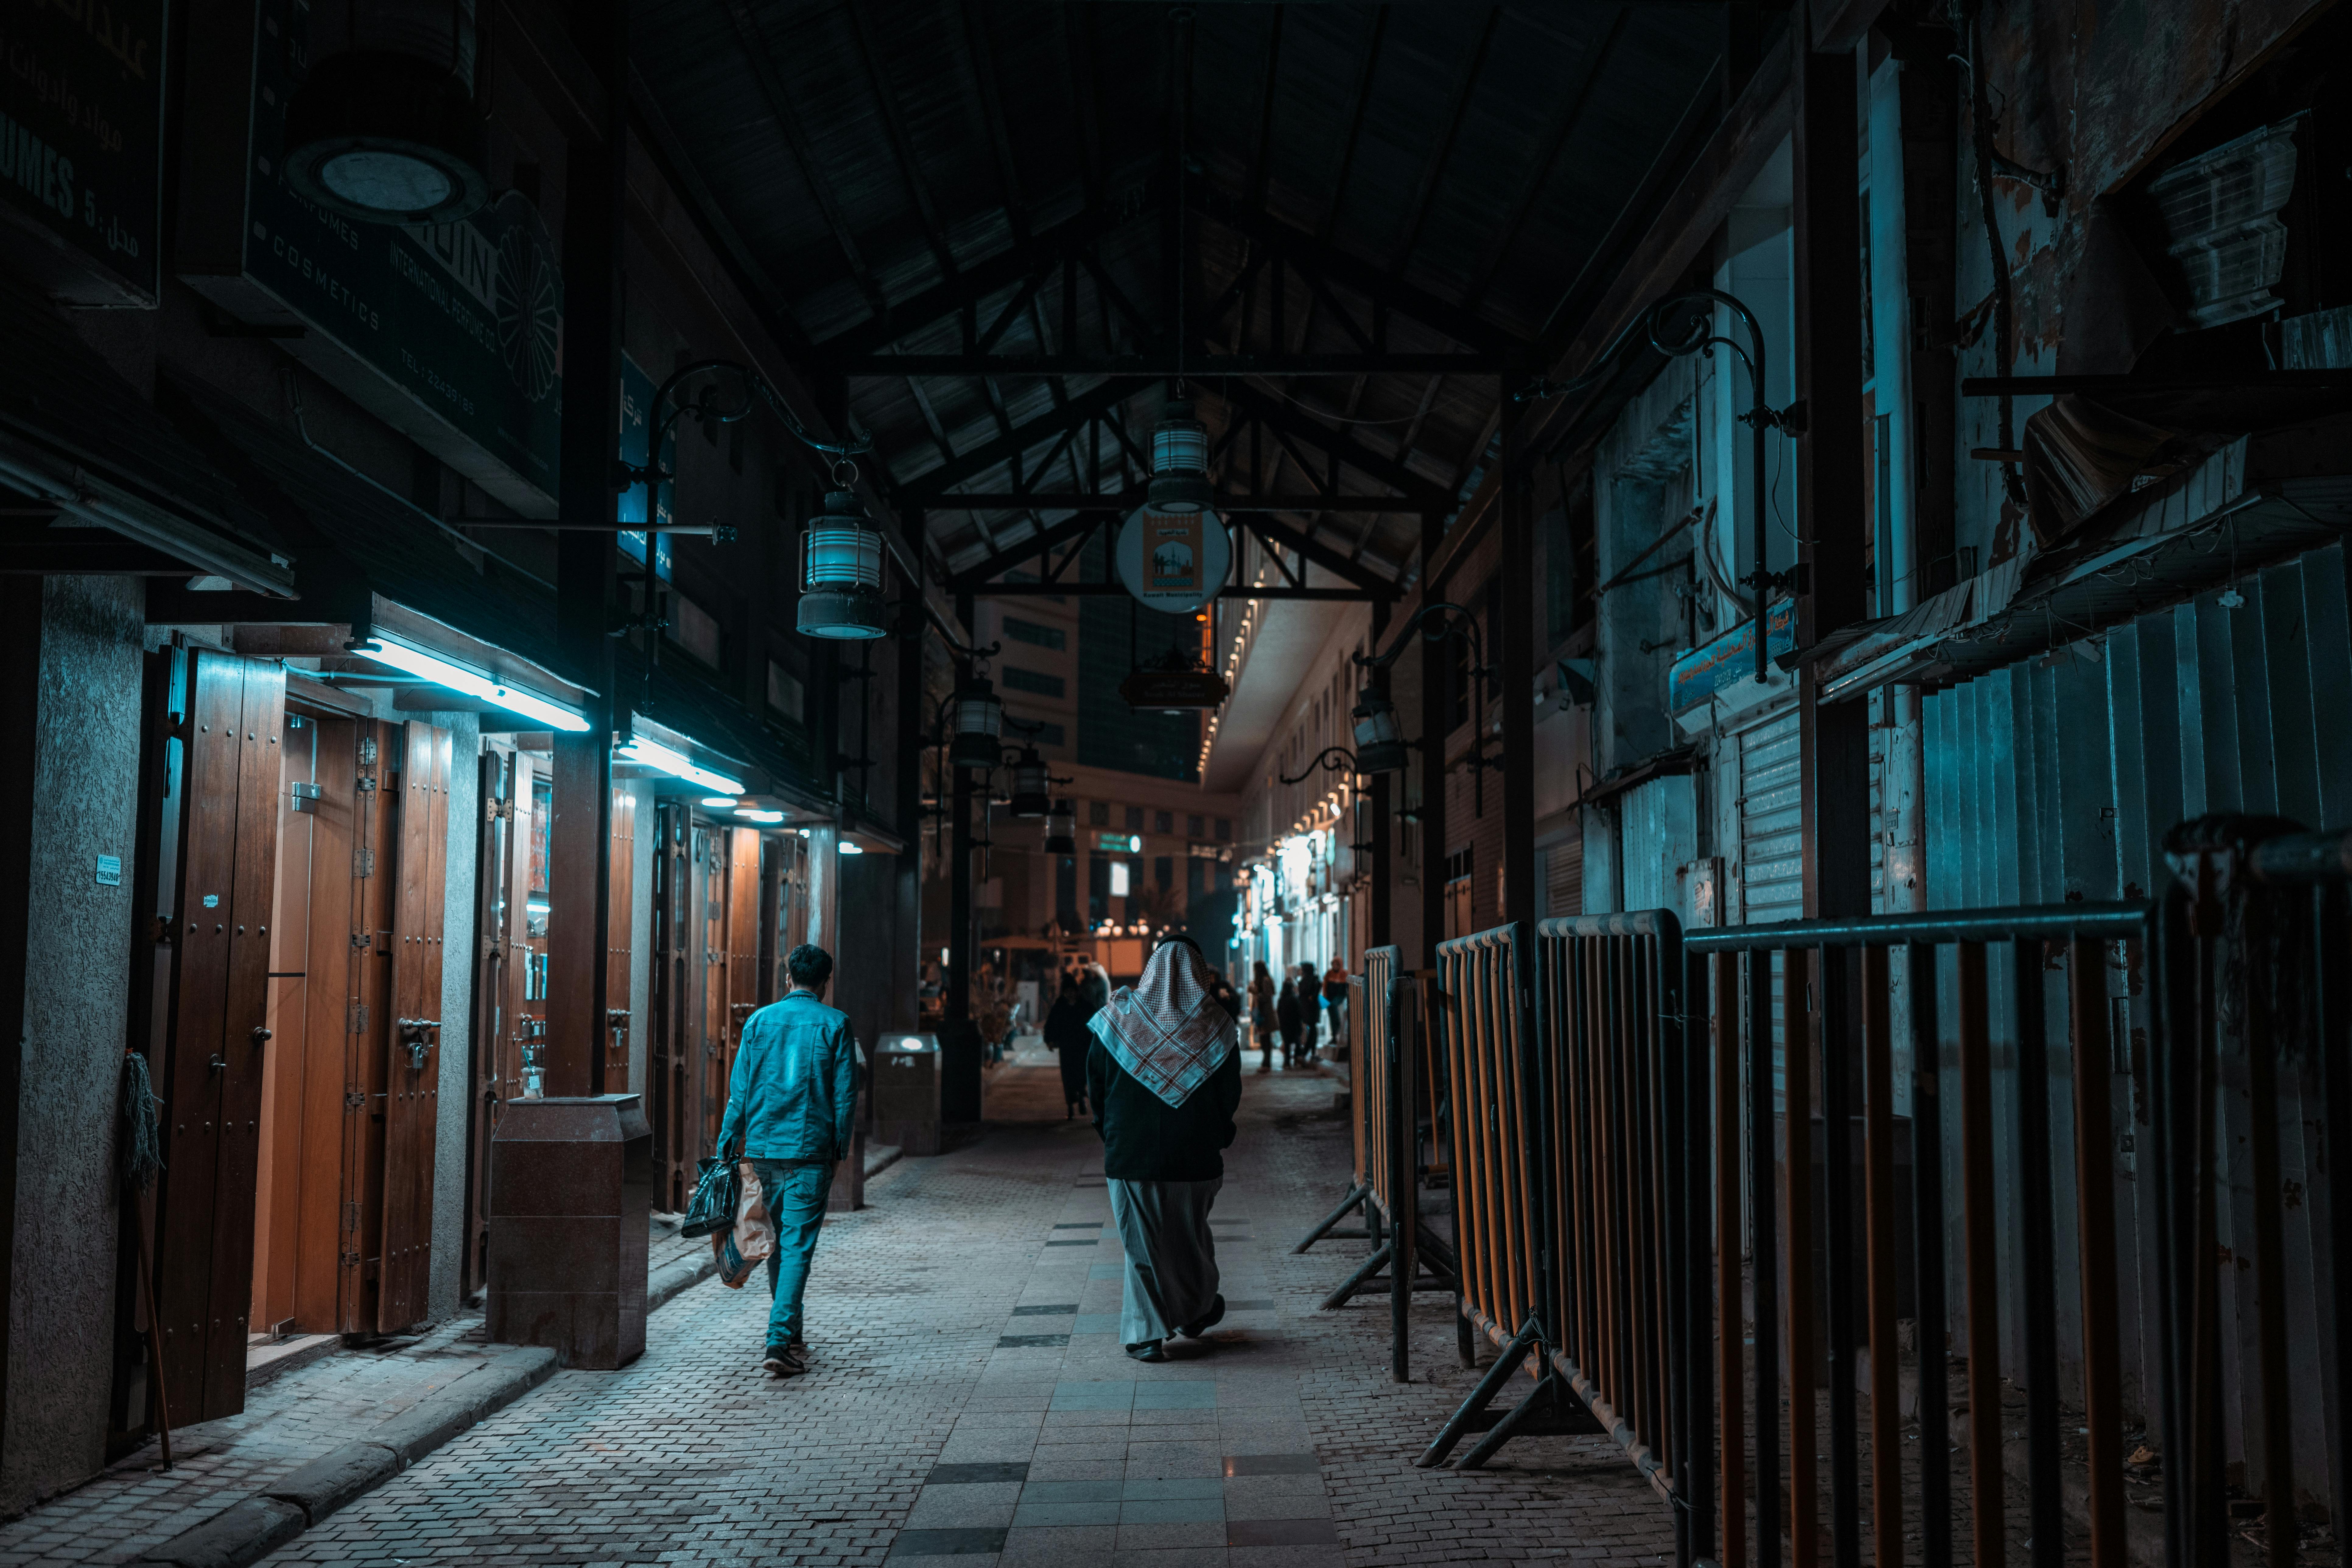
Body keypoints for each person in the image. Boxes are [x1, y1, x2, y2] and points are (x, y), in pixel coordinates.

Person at [1087, 935, 1241, 1363]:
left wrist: (1114, 1136)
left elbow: (1096, 1092)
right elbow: (1229, 1096)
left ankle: (1147, 1335)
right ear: (1200, 975)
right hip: (1196, 1158)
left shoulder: (1115, 1021)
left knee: (1142, 1247)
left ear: (1149, 970)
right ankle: (1195, 1309)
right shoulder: (1217, 1025)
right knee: (1189, 1239)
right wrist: (1217, 1135)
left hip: (1130, 1157)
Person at [714, 942, 859, 1379]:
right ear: (825, 982)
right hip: (810, 1151)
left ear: (788, 977)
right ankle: (778, 1339)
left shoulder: (759, 1021)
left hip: (761, 1150)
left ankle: (790, 1330)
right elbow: (845, 1096)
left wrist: (727, 1139)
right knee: (796, 1247)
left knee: (777, 1241)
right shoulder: (836, 1023)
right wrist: (839, 1148)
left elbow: (741, 1089)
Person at [1043, 974, 1091, 1118]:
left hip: (1082, 1047)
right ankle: (1071, 1107)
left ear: (1077, 992)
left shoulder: (1085, 1005)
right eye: (1067, 992)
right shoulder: (1060, 1005)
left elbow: (1096, 1022)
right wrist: (1049, 1040)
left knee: (1081, 1074)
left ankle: (1081, 1098)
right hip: (1066, 1047)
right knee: (1068, 1077)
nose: (1070, 994)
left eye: (1073, 991)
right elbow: (1051, 1024)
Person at [1249, 961, 1276, 1074]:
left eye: (1255, 969)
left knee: (1266, 1040)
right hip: (1261, 1013)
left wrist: (1254, 992)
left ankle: (1267, 1064)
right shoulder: (1263, 980)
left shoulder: (1265, 980)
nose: (1254, 972)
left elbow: (1266, 996)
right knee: (1264, 1039)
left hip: (1265, 1014)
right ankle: (1265, 1064)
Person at [1295, 962, 1322, 1062]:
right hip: (1308, 1009)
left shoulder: (1312, 980)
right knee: (1312, 1030)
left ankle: (1308, 1051)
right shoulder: (1310, 980)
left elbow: (1311, 995)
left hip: (1310, 1009)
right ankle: (1312, 1052)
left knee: (1312, 1030)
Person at [1322, 957, 1350, 1054]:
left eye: (1337, 965)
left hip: (1339, 997)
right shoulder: (1329, 974)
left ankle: (1337, 1030)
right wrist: (1325, 996)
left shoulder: (1344, 974)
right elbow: (1325, 985)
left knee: (1335, 1011)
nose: (1335, 967)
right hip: (1330, 997)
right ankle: (1334, 1035)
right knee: (1332, 1016)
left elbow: (1346, 988)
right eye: (1334, 964)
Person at [1275, 975, 1301, 1070]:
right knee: (1297, 1041)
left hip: (1285, 1025)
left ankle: (1287, 1062)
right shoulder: (1295, 999)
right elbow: (1299, 1012)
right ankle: (1296, 1060)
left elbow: (1279, 1011)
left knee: (1287, 1043)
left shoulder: (1282, 999)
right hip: (1294, 1024)